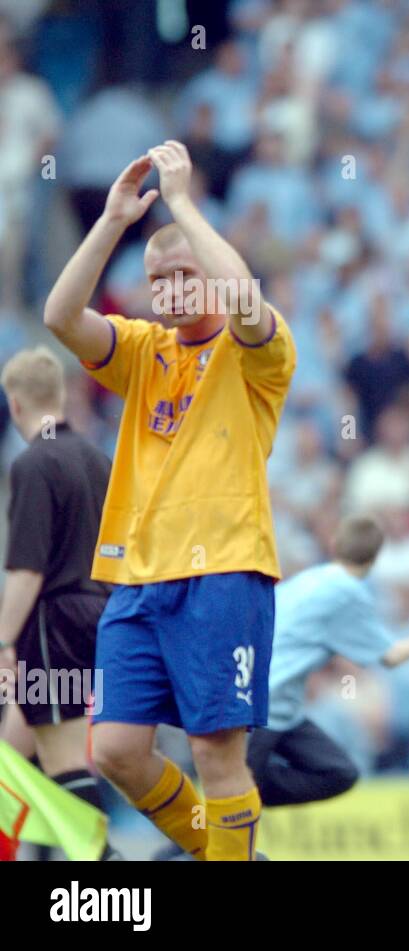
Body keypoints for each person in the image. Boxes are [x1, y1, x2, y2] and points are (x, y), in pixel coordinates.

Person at [43, 141, 296, 861]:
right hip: (136, 579)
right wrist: (114, 222)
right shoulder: (143, 349)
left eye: (186, 273)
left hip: (223, 571)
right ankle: (235, 855)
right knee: (116, 749)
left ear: (212, 276)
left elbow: (246, 301)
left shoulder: (258, 353)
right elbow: (61, 316)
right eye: (160, 279)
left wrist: (183, 203)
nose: (173, 288)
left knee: (216, 757)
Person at [253, 514, 409, 805]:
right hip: (265, 707)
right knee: (235, 791)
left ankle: (246, 796)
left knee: (338, 772)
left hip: (278, 707)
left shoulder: (310, 578)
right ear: (375, 558)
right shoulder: (348, 593)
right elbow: (391, 656)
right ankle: (234, 807)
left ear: (335, 545)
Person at [0, 347, 113, 856]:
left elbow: (28, 570)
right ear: (61, 395)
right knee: (11, 756)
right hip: (101, 618)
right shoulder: (98, 459)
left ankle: (105, 867)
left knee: (65, 762)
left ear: (16, 404)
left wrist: (4, 640)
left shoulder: (32, 464)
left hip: (53, 624)